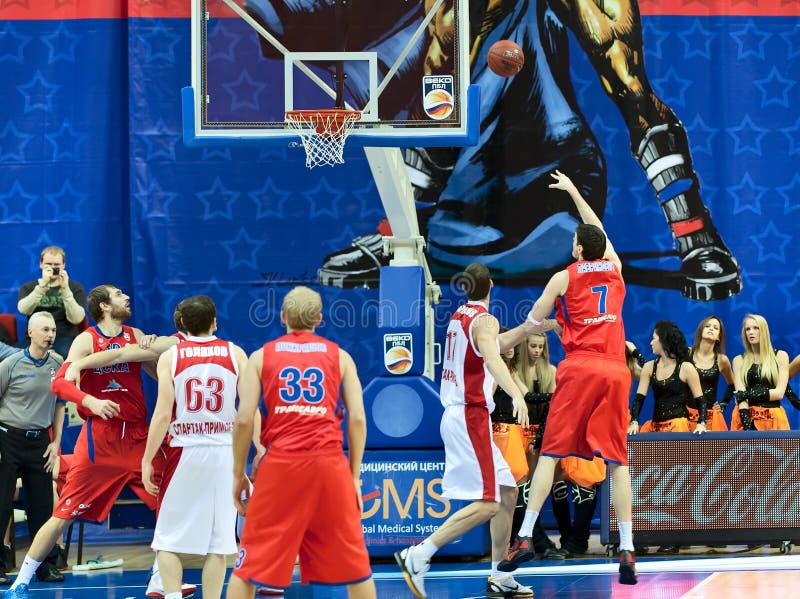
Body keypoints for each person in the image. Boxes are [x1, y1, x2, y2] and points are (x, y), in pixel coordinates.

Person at [3, 285, 195, 599]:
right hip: (99, 443)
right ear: (104, 306)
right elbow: (59, 384)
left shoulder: (135, 334)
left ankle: (160, 579)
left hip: (136, 439)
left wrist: (154, 350)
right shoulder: (86, 340)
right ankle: (19, 583)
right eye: (120, 295)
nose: (128, 297)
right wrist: (89, 400)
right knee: (63, 515)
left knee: (170, 502)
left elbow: (157, 371)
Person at [495, 170, 637, 585]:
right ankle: (627, 547)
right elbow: (598, 230)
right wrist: (576, 191)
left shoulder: (563, 277)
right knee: (617, 462)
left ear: (577, 249)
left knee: (553, 453)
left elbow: (533, 319)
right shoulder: (614, 268)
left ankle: (523, 539)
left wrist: (555, 326)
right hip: (615, 370)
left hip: (579, 368)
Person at [226, 286, 376, 599]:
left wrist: (238, 472)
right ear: (319, 319)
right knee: (357, 565)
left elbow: (243, 420)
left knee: (248, 564)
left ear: (282, 317)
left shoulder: (260, 356)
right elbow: (358, 420)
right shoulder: (341, 356)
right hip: (329, 464)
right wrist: (354, 477)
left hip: (281, 465)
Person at [395, 263, 534, 599]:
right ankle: (419, 554)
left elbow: (496, 343)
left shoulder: (462, 315)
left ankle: (500, 575)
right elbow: (492, 356)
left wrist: (532, 326)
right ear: (490, 285)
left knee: (508, 491)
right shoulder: (484, 319)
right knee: (488, 503)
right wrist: (516, 392)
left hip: (464, 416)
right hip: (469, 416)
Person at [138, 295, 248, 599]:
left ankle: (172, 596)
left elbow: (162, 415)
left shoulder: (170, 357)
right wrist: (259, 449)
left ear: (181, 324)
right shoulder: (235, 353)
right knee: (219, 543)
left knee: (167, 539)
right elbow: (249, 411)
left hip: (184, 452)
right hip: (224, 452)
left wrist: (147, 459)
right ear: (215, 321)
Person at [0, 313, 66, 585]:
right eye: (44, 330)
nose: (50, 335)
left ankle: (44, 565)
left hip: (40, 442)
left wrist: (56, 443)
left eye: (52, 330)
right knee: (1, 504)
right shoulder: (11, 364)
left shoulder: (58, 363)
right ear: (30, 333)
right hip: (8, 439)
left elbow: (61, 404)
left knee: (41, 507)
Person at [628, 320, 707, 435]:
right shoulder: (649, 367)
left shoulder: (686, 368)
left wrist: (702, 423)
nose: (651, 343)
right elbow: (639, 399)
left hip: (678, 427)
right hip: (655, 427)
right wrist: (634, 421)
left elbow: (701, 400)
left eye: (654, 338)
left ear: (663, 341)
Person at [17, 246, 86, 358]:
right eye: (48, 264)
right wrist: (43, 285)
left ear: (63, 265)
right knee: (16, 358)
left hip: (64, 337)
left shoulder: (75, 287)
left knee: (69, 357)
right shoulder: (29, 287)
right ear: (41, 264)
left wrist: (65, 289)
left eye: (56, 265)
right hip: (34, 338)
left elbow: (77, 319)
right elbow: (23, 310)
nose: (53, 268)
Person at [731, 314, 791, 431]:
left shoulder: (780, 356)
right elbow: (740, 396)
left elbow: (779, 393)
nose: (751, 332)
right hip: (746, 416)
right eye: (747, 329)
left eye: (755, 328)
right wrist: (747, 427)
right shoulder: (738, 360)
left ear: (763, 330)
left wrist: (746, 394)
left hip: (773, 418)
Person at [689, 316, 733, 430]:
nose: (711, 329)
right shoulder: (687, 353)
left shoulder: (722, 360)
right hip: (686, 416)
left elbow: (733, 385)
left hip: (711, 418)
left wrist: (723, 405)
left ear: (719, 336)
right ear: (701, 330)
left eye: (715, 328)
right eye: (707, 326)